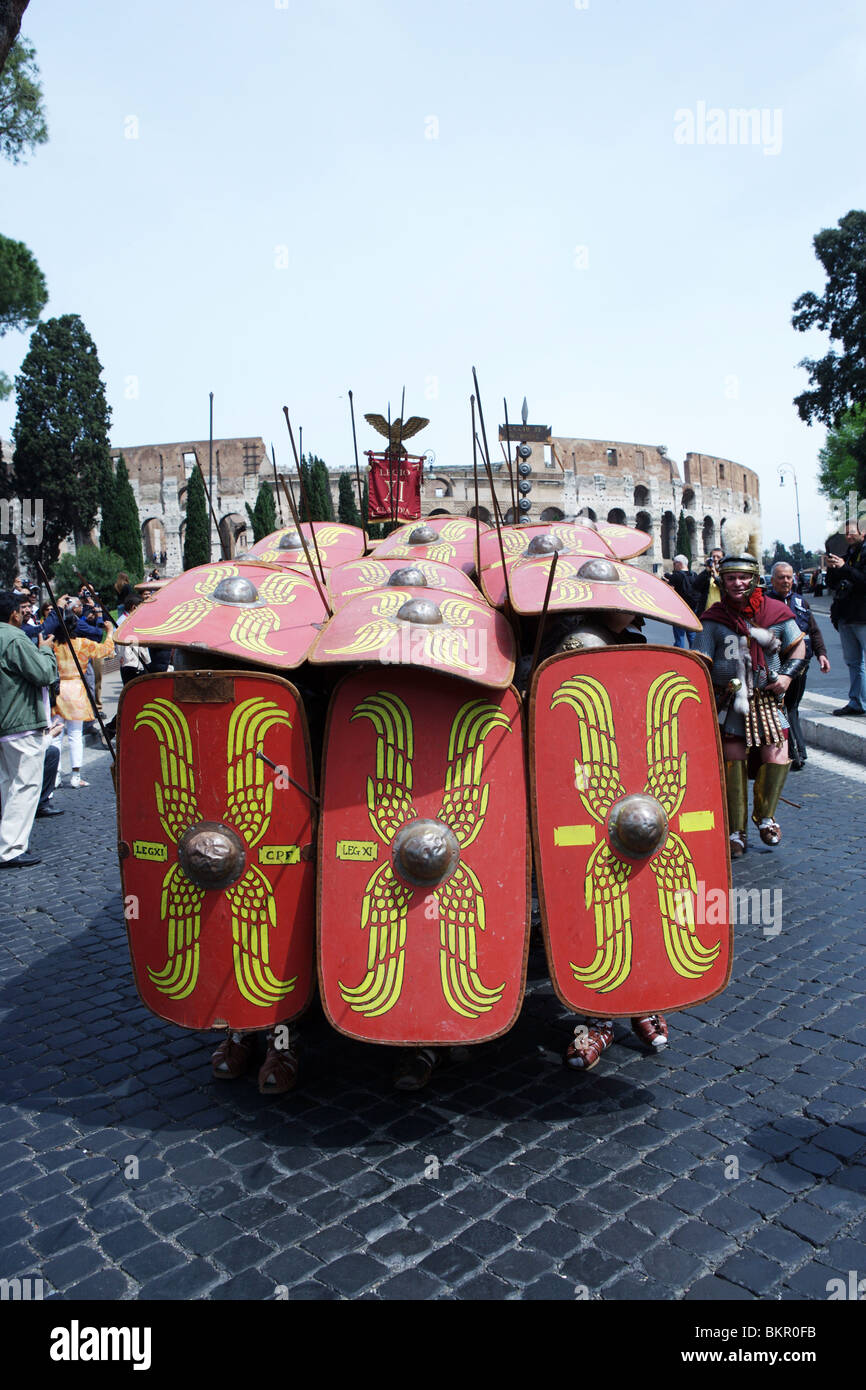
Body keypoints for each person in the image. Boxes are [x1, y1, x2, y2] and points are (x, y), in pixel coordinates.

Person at [693, 552, 805, 857]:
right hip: (728, 701)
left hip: (767, 700)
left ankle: (766, 818)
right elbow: (700, 662)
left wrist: (787, 677)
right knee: (733, 760)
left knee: (777, 755)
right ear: (723, 581)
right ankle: (736, 831)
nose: (737, 583)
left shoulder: (776, 612)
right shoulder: (712, 619)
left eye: (743, 577)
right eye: (731, 578)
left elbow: (798, 648)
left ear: (754, 579)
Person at [0, 592, 59, 867]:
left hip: (6, 723)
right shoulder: (13, 638)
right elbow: (44, 674)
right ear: (13, 614)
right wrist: (46, 648)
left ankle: (6, 841)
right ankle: (10, 848)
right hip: (20, 721)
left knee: (8, 786)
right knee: (24, 787)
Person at [769, 562, 830, 769]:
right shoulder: (766, 603)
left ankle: (796, 752)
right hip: (777, 665)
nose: (786, 581)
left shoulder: (800, 601)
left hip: (801, 665)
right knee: (783, 707)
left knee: (792, 707)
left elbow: (813, 631)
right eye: (781, 577)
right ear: (773, 580)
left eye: (788, 577)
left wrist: (822, 654)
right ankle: (794, 752)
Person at [51, 607, 115, 788]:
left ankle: (55, 776)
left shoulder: (53, 645)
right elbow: (107, 649)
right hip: (76, 690)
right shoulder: (82, 643)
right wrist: (109, 632)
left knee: (56, 735)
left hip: (57, 689)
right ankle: (75, 775)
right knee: (75, 734)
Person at [826, 520, 866, 716]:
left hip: (863, 615)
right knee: (853, 662)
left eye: (851, 533)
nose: (848, 537)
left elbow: (863, 581)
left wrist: (845, 568)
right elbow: (833, 584)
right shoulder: (847, 554)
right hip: (846, 615)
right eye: (846, 534)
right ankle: (856, 702)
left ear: (863, 532)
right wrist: (832, 568)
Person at [664, 555, 700, 648]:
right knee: (692, 634)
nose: (674, 565)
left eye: (674, 563)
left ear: (679, 564)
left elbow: (670, 591)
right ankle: (696, 654)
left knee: (679, 636)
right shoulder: (694, 574)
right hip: (693, 608)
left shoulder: (676, 575)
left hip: (680, 608)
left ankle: (680, 656)